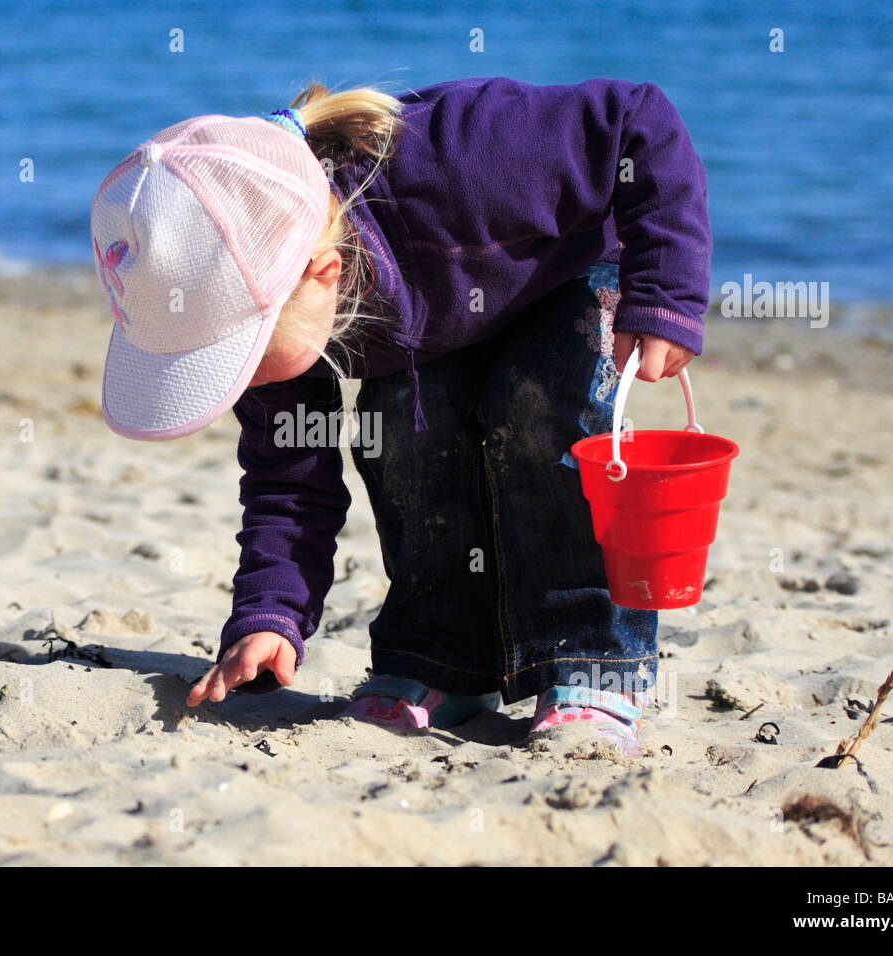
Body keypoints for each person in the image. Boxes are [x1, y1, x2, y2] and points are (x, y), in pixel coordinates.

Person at [91, 76, 710, 756]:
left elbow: (637, 120)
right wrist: (267, 616)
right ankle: (440, 661)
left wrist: (666, 291)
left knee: (536, 409)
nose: (240, 378)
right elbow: (287, 477)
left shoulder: (467, 159)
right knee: (405, 431)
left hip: (563, 270)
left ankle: (592, 664)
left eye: (241, 353)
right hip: (431, 318)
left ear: (322, 273)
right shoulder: (270, 311)